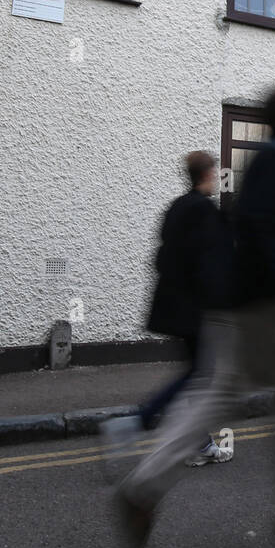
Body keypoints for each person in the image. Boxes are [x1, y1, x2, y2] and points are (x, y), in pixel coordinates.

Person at [113, 85, 275, 548]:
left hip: (242, 301)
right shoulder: (274, 159)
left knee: (221, 395)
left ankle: (140, 490)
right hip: (263, 301)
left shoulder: (265, 159)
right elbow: (259, 228)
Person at [99, 151, 232, 473]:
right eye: (214, 173)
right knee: (199, 376)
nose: (217, 178)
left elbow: (161, 257)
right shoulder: (203, 209)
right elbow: (209, 265)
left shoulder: (176, 207)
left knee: (196, 375)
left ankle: (198, 443)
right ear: (206, 175)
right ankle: (140, 421)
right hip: (196, 308)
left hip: (174, 306)